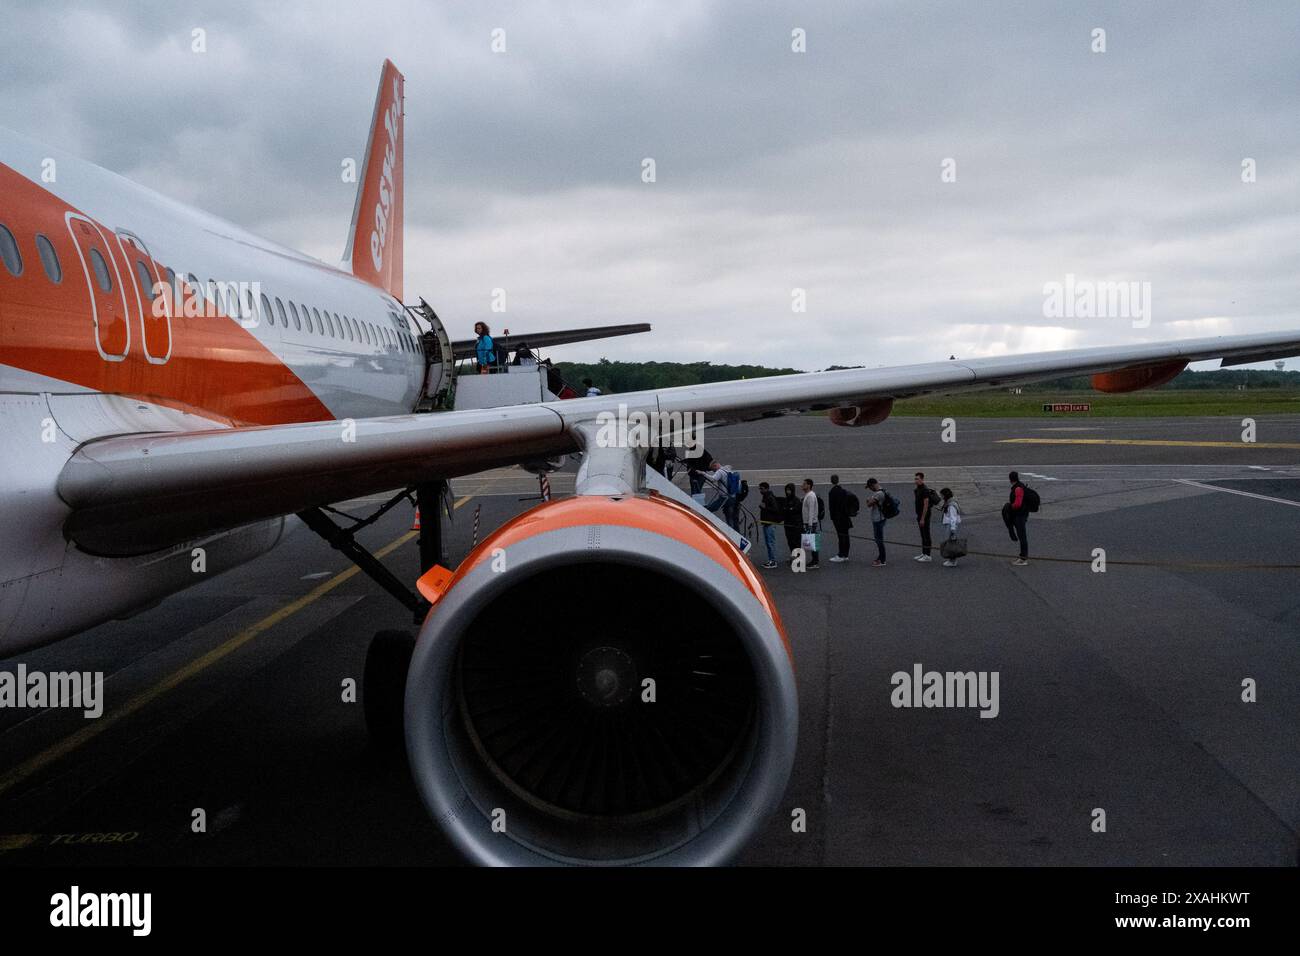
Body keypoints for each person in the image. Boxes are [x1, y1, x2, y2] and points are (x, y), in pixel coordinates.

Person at [703, 459, 740, 531]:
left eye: (713, 469)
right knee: (730, 516)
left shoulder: (720, 471)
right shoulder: (728, 470)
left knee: (709, 509)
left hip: (725, 498)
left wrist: (703, 474)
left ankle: (708, 526)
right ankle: (734, 532)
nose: (714, 472)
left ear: (715, 465)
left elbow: (713, 479)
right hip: (732, 497)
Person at [827, 474, 853, 562]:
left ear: (831, 481)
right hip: (845, 516)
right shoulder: (843, 491)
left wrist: (832, 517)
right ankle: (846, 554)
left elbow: (832, 507)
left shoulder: (832, 492)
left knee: (840, 536)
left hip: (837, 517)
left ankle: (841, 554)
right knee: (846, 535)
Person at [757, 482, 782, 569]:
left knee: (770, 542)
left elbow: (775, 509)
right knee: (768, 542)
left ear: (766, 488)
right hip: (766, 522)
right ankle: (771, 559)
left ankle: (773, 561)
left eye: (762, 489)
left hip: (770, 523)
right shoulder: (766, 496)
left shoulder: (769, 497)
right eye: (760, 489)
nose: (760, 490)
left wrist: (764, 507)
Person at [913, 471, 936, 562]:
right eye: (915, 479)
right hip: (919, 514)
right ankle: (924, 553)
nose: (915, 480)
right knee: (922, 534)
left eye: (917, 479)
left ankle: (928, 555)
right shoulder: (918, 489)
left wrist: (922, 518)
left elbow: (926, 505)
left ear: (922, 479)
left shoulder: (925, 490)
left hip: (925, 515)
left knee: (926, 534)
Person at [1008, 471, 1030, 565]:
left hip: (1020, 515)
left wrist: (1010, 507)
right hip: (1022, 514)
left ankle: (1023, 558)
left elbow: (1018, 504)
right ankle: (1022, 556)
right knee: (1022, 536)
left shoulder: (1017, 488)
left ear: (1010, 479)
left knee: (1022, 536)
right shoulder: (1019, 486)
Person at [864, 478, 887, 567]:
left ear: (873, 485)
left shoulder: (878, 494)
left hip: (878, 519)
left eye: (870, 487)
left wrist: (869, 501)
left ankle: (882, 560)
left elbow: (869, 504)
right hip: (881, 518)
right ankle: (880, 557)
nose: (870, 489)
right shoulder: (882, 491)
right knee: (878, 539)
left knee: (879, 540)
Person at [939, 487, 962, 567]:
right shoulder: (949, 502)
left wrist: (952, 529)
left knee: (951, 543)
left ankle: (952, 561)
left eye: (941, 495)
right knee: (950, 542)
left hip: (951, 526)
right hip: (950, 525)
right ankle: (951, 559)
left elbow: (953, 517)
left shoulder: (951, 505)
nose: (940, 497)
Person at [800, 478, 821, 569]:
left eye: (804, 484)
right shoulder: (808, 495)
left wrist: (809, 524)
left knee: (812, 542)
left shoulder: (811, 496)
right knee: (812, 542)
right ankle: (814, 560)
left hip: (811, 523)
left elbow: (811, 511)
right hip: (810, 522)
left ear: (809, 485)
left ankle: (815, 561)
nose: (802, 485)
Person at [781, 483, 802, 559]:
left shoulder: (796, 500)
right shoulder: (786, 500)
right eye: (786, 490)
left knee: (796, 541)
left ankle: (798, 557)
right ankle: (793, 554)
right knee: (790, 541)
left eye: (789, 490)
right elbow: (784, 510)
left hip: (795, 524)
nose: (787, 492)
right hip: (787, 524)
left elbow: (796, 510)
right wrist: (789, 510)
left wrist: (789, 510)